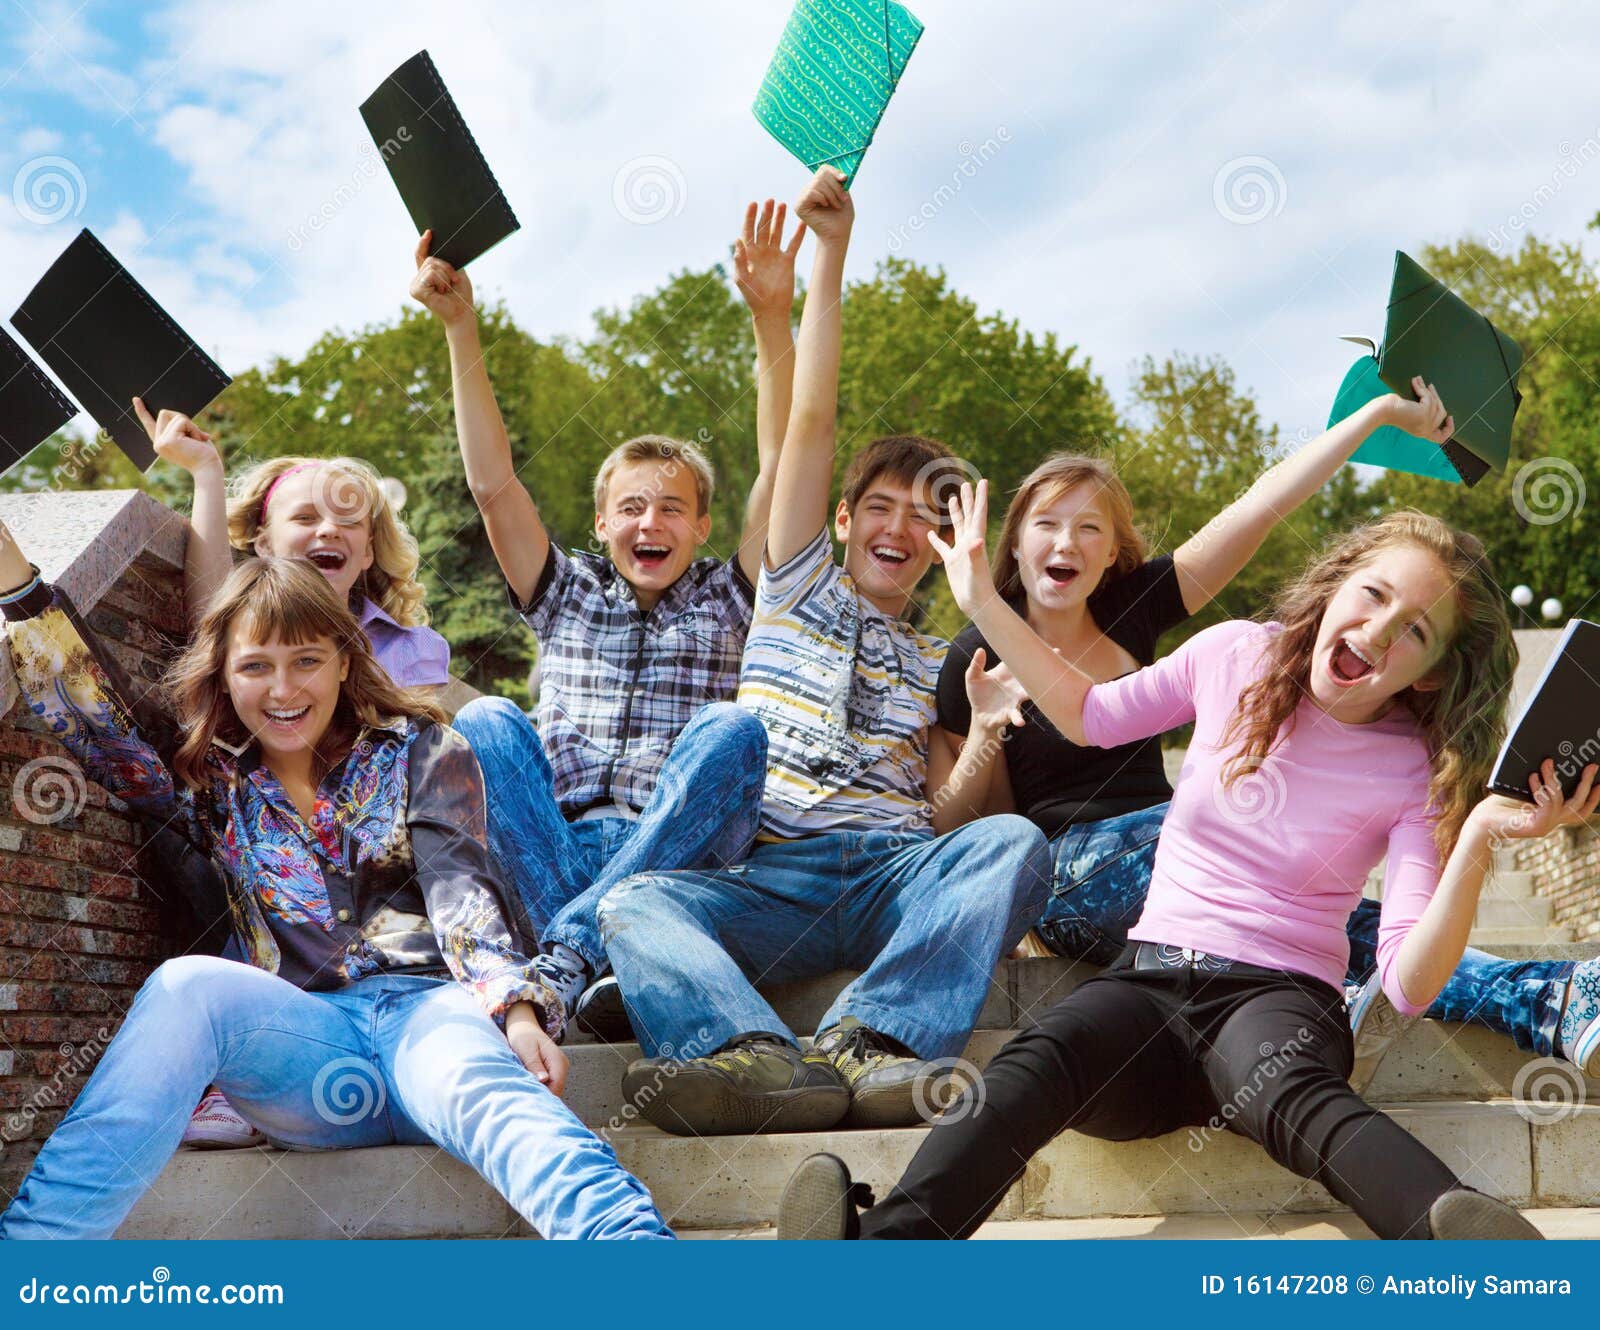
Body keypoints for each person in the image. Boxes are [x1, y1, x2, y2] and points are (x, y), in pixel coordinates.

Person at [776, 492, 1597, 1240]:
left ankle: (1465, 1252)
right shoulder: (1233, 653)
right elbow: (1089, 715)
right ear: (1338, 584)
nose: (1380, 631)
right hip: (1147, 987)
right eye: (1374, 595)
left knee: (1292, 1094)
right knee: (1033, 1060)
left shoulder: (1416, 769)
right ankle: (879, 1255)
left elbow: (1411, 984)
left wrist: (1481, 835)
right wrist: (982, 601)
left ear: (1434, 673)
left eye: (1415, 630)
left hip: (1278, 1003)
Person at [0, 530, 670, 1240]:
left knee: (484, 1085)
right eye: (255, 666)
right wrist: (13, 576)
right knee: (185, 985)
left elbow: (461, 890)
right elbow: (94, 715)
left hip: (430, 1017)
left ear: (345, 663)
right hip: (304, 1049)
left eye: (307, 661)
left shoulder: (421, 751)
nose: (283, 690)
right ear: (225, 675)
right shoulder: (211, 780)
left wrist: (517, 1010)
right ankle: (35, 1265)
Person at [602, 168, 1052, 1137]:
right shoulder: (795, 581)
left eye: (923, 517)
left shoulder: (944, 653)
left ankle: (873, 1041)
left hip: (893, 868)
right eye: (879, 507)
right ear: (843, 520)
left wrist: (979, 731)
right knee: (635, 903)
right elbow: (808, 420)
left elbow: (948, 820)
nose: (898, 526)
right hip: (775, 872)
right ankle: (750, 1056)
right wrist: (829, 260)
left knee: (1013, 845)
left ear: (939, 543)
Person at [934, 440, 1600, 1089]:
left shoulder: (1131, 610)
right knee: (1222, 835)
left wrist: (1373, 416)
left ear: (1112, 551)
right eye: (1046, 523)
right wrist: (985, 726)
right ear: (1013, 540)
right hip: (1073, 876)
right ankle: (1346, 979)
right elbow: (969, 826)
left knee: (1325, 902)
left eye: (1087, 527)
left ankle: (1549, 996)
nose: (1065, 542)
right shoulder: (974, 652)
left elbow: (1260, 505)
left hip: (1182, 857)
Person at [408, 209, 802, 1035]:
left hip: (672, 850)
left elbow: (784, 465)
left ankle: (564, 959)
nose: (648, 522)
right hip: (555, 845)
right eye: (630, 506)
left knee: (735, 730)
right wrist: (459, 326)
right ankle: (593, 957)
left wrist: (772, 317)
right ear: (600, 522)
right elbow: (492, 487)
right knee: (482, 717)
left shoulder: (731, 599)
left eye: (670, 508)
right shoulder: (566, 594)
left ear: (701, 527)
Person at [141, 407, 453, 1148]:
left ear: (371, 546)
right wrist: (207, 474)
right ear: (264, 542)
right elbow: (214, 609)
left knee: (491, 731)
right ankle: (228, 1072)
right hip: (274, 882)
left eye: (350, 519)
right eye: (305, 516)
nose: (329, 531)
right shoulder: (246, 634)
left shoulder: (409, 648)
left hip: (382, 881)